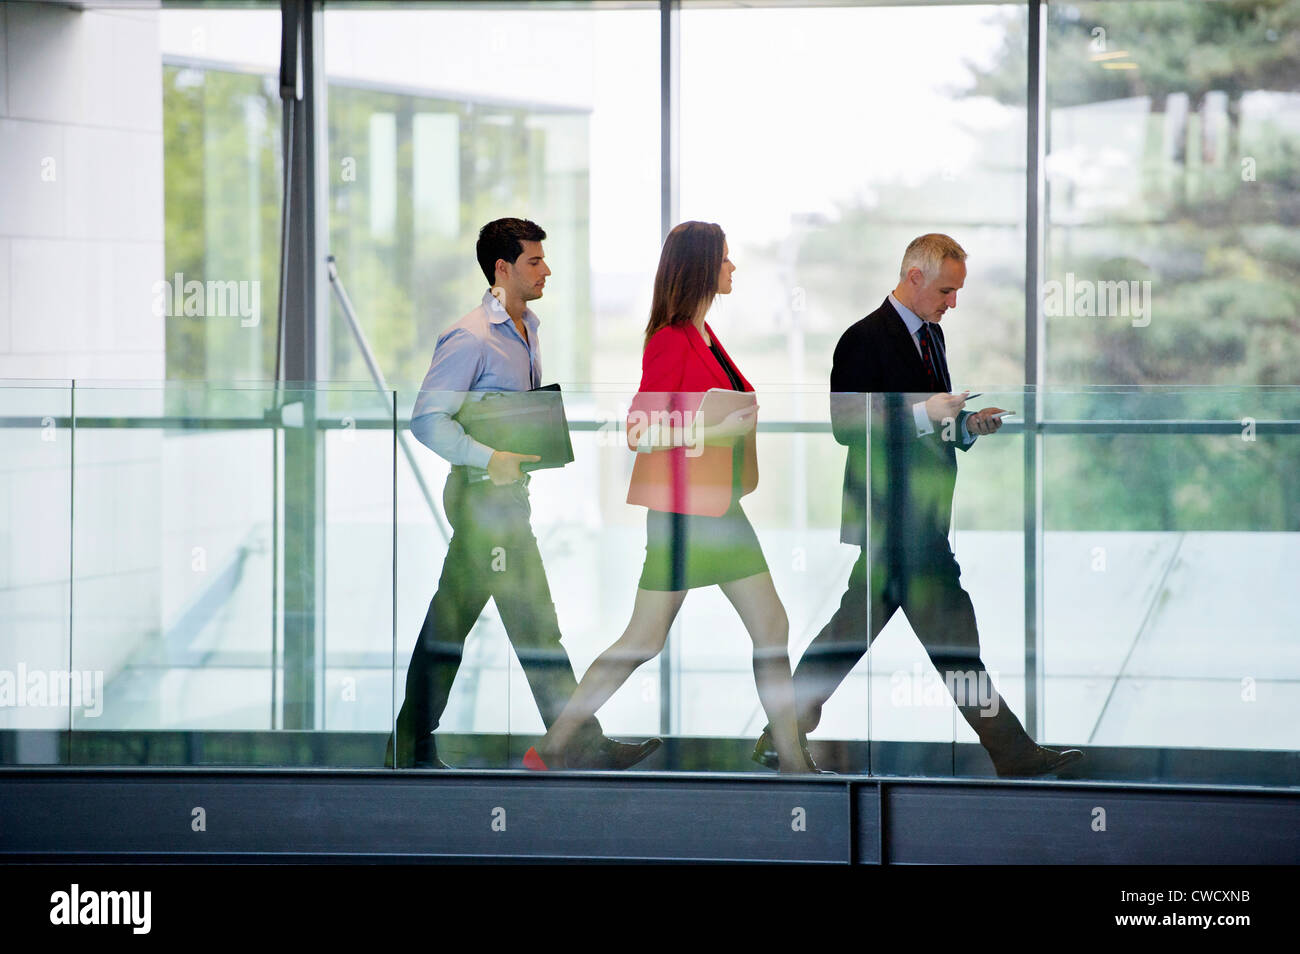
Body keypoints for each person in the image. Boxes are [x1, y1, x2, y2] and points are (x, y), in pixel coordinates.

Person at [753, 233, 1084, 777]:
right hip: (892, 520)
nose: (952, 302)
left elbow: (933, 425)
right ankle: (1013, 753)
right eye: (947, 291)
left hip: (921, 521)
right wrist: (925, 414)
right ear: (914, 277)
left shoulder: (932, 337)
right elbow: (846, 427)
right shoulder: (861, 339)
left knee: (856, 634)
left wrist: (967, 427)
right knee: (947, 640)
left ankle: (779, 733)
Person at [524, 221, 817, 774]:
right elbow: (637, 430)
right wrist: (712, 432)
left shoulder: (705, 336)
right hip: (685, 518)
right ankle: (555, 745)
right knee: (643, 639)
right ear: (704, 267)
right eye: (726, 260)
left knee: (768, 627)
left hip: (718, 510)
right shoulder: (670, 339)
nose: (733, 268)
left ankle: (794, 760)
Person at [387, 217, 661, 771]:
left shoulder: (527, 328)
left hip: (505, 499)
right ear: (502, 269)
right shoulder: (470, 336)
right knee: (527, 624)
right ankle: (576, 745)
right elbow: (425, 419)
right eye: (534, 261)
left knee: (463, 621)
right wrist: (490, 458)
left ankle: (410, 745)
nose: (547, 270)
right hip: (481, 495)